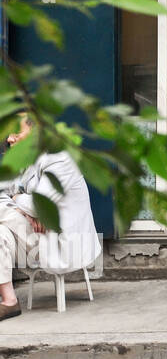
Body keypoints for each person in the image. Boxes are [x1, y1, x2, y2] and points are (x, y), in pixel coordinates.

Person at [0, 116, 102, 322]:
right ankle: (9, 301)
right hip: (38, 233)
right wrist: (23, 211)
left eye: (16, 133)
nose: (10, 139)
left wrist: (19, 200)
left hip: (62, 241)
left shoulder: (60, 159)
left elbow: (38, 205)